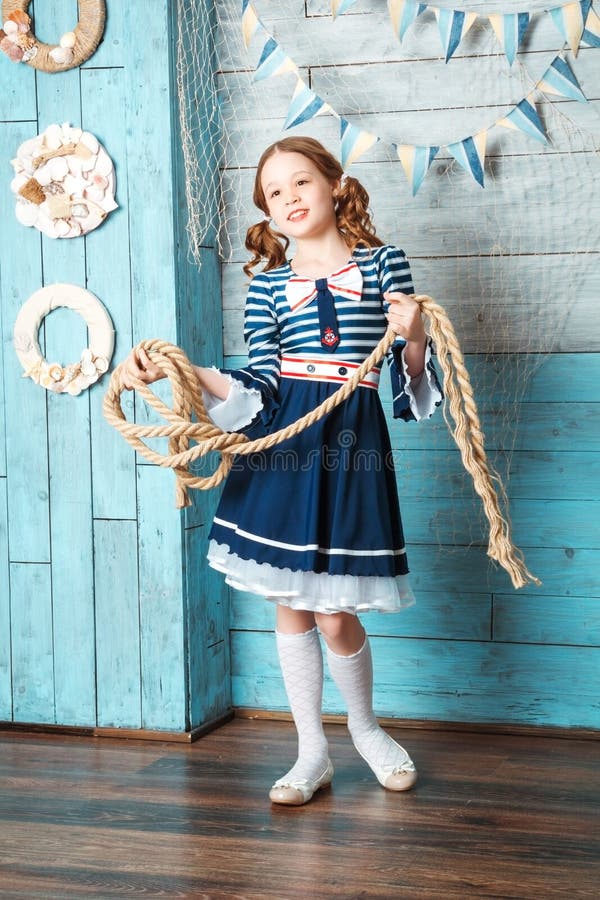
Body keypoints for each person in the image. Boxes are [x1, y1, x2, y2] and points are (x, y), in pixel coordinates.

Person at [121, 136, 443, 806]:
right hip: (283, 448)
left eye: (301, 182)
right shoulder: (268, 286)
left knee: (333, 616)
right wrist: (180, 366)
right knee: (293, 607)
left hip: (350, 445)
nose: (290, 198)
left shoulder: (385, 266)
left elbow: (407, 383)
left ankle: (365, 728)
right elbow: (262, 384)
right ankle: (310, 752)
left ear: (334, 185)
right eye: (275, 192)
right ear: (267, 214)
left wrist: (414, 335)